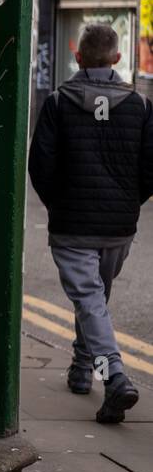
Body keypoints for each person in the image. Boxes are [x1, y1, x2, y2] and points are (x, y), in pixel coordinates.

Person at [28, 23, 153, 423]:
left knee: (90, 301)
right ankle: (83, 371)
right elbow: (150, 170)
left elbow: (40, 166)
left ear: (77, 57)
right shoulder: (141, 105)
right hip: (119, 228)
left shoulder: (58, 102)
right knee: (93, 300)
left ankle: (114, 377)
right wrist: (129, 204)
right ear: (118, 58)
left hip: (73, 225)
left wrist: (59, 205)